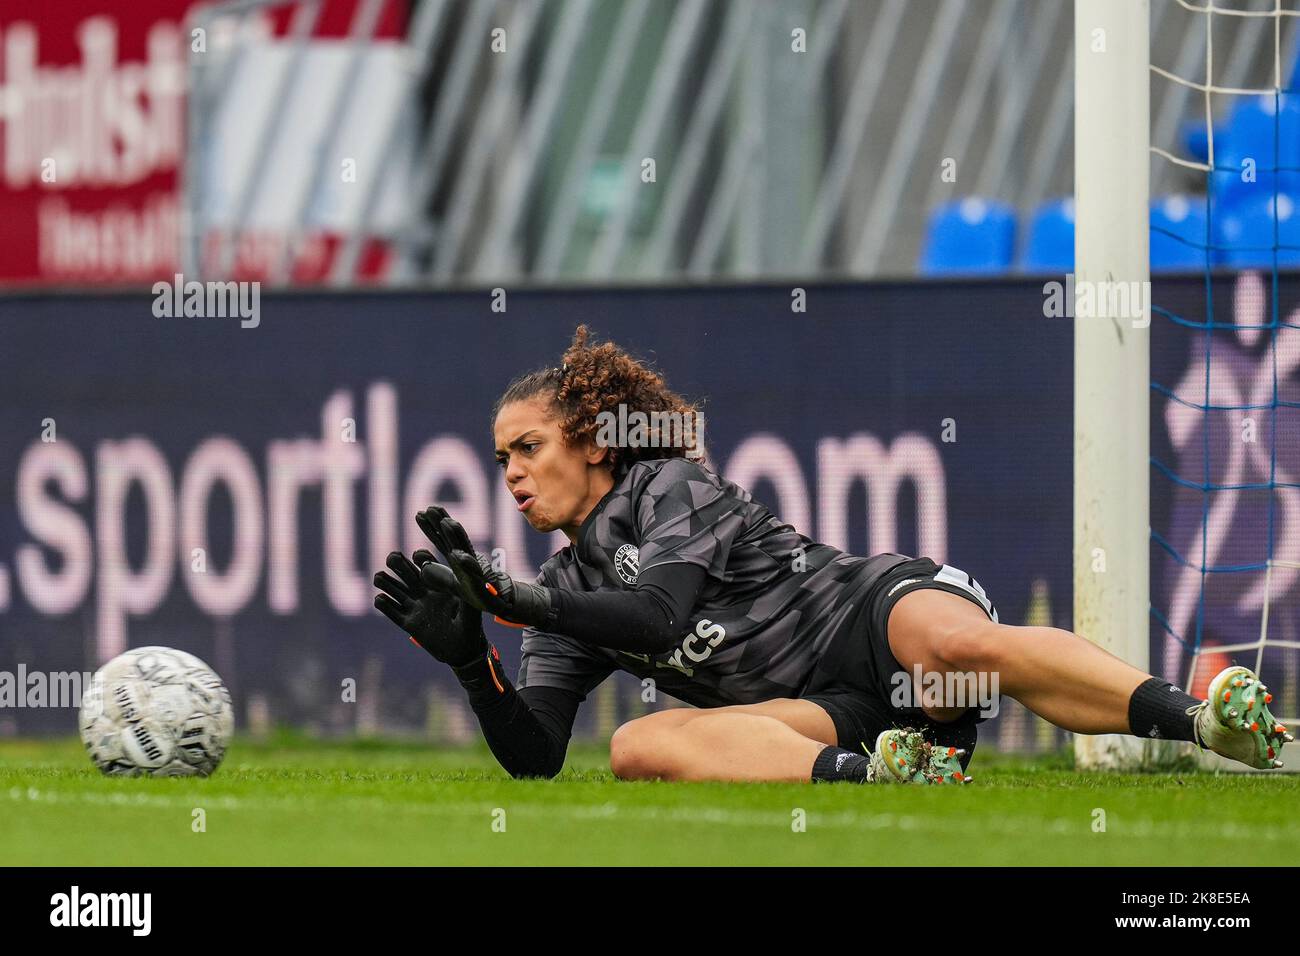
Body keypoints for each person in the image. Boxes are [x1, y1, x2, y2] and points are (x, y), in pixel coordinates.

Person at [373, 326, 1290, 784]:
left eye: (528, 447)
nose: (512, 474)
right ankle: (884, 775)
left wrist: (513, 597)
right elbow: (536, 756)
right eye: (500, 459)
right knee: (635, 745)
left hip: (869, 617)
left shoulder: (668, 486)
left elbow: (657, 616)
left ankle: (1205, 722)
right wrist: (471, 661)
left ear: (593, 441)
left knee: (957, 647)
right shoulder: (564, 590)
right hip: (823, 716)